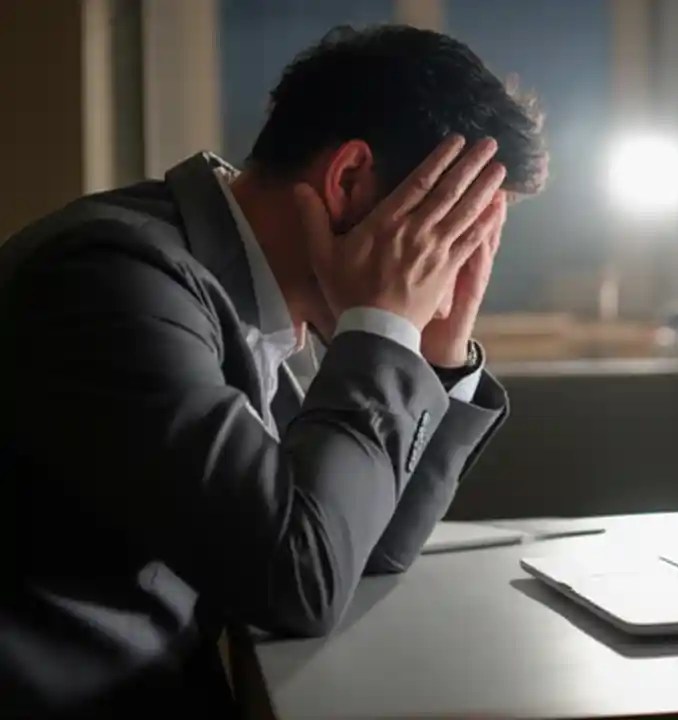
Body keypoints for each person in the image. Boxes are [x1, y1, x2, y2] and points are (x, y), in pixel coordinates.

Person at [0, 25, 546, 717]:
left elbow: (365, 546)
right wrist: (383, 329)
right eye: (450, 234)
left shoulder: (237, 293)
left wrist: (432, 356)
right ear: (348, 180)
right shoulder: (116, 279)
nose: (452, 269)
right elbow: (300, 581)